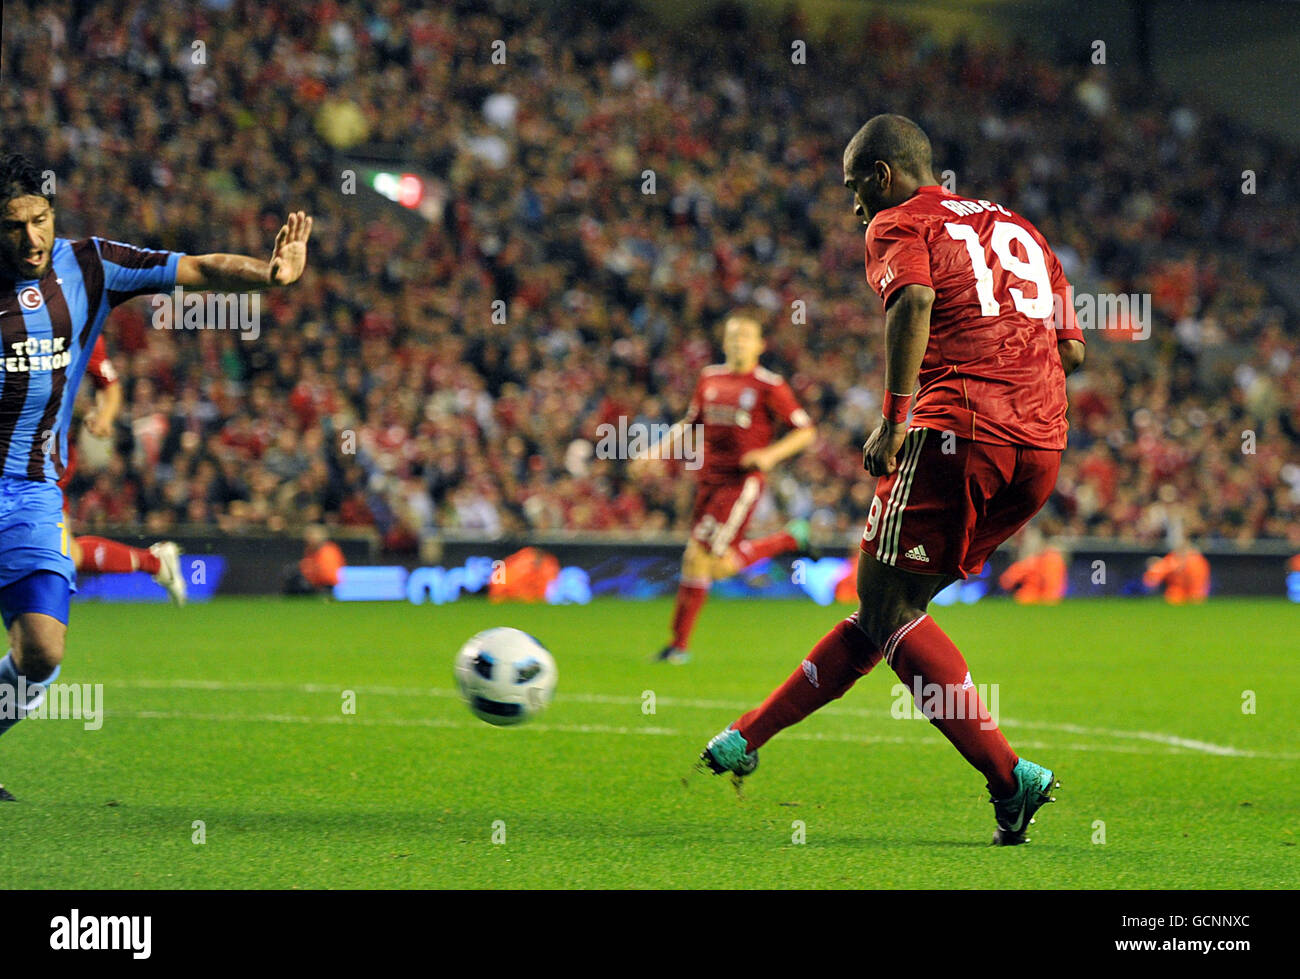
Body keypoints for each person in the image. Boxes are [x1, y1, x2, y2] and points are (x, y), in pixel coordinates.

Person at [697, 116, 1086, 845]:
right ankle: (748, 735)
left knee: (888, 608)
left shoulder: (900, 222)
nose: (853, 207)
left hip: (956, 430)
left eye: (853, 187)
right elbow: (1074, 350)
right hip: (1040, 445)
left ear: (881, 174)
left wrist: (895, 418)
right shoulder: (1023, 229)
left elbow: (914, 302)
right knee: (888, 609)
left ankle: (1010, 778)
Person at [0, 152, 311, 799]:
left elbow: (194, 268)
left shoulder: (88, 263)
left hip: (30, 491)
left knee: (42, 652)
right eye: (13, 226)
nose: (30, 238)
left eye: (40, 220)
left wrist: (269, 277)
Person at [635, 313, 816, 664]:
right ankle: (789, 539)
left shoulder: (769, 384)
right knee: (706, 563)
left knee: (701, 559)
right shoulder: (709, 378)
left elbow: (806, 430)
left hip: (740, 483)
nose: (738, 342)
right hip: (708, 481)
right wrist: (653, 454)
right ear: (724, 341)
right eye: (733, 335)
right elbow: (689, 423)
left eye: (746, 336)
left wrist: (769, 455)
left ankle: (679, 647)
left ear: (760, 345)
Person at [60, 336, 187, 604]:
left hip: (39, 456)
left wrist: (104, 416)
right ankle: (152, 562)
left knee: (57, 555)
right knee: (63, 553)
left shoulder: (75, 318)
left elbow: (108, 384)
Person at [998, 526, 1067, 604]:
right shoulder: (1055, 558)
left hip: (1031, 598)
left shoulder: (1034, 561)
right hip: (1051, 599)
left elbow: (1006, 581)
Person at [283, 525, 346, 595]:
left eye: (310, 536)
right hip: (316, 585)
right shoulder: (311, 551)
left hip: (327, 587)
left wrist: (311, 570)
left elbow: (329, 576)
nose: (308, 540)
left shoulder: (328, 551)